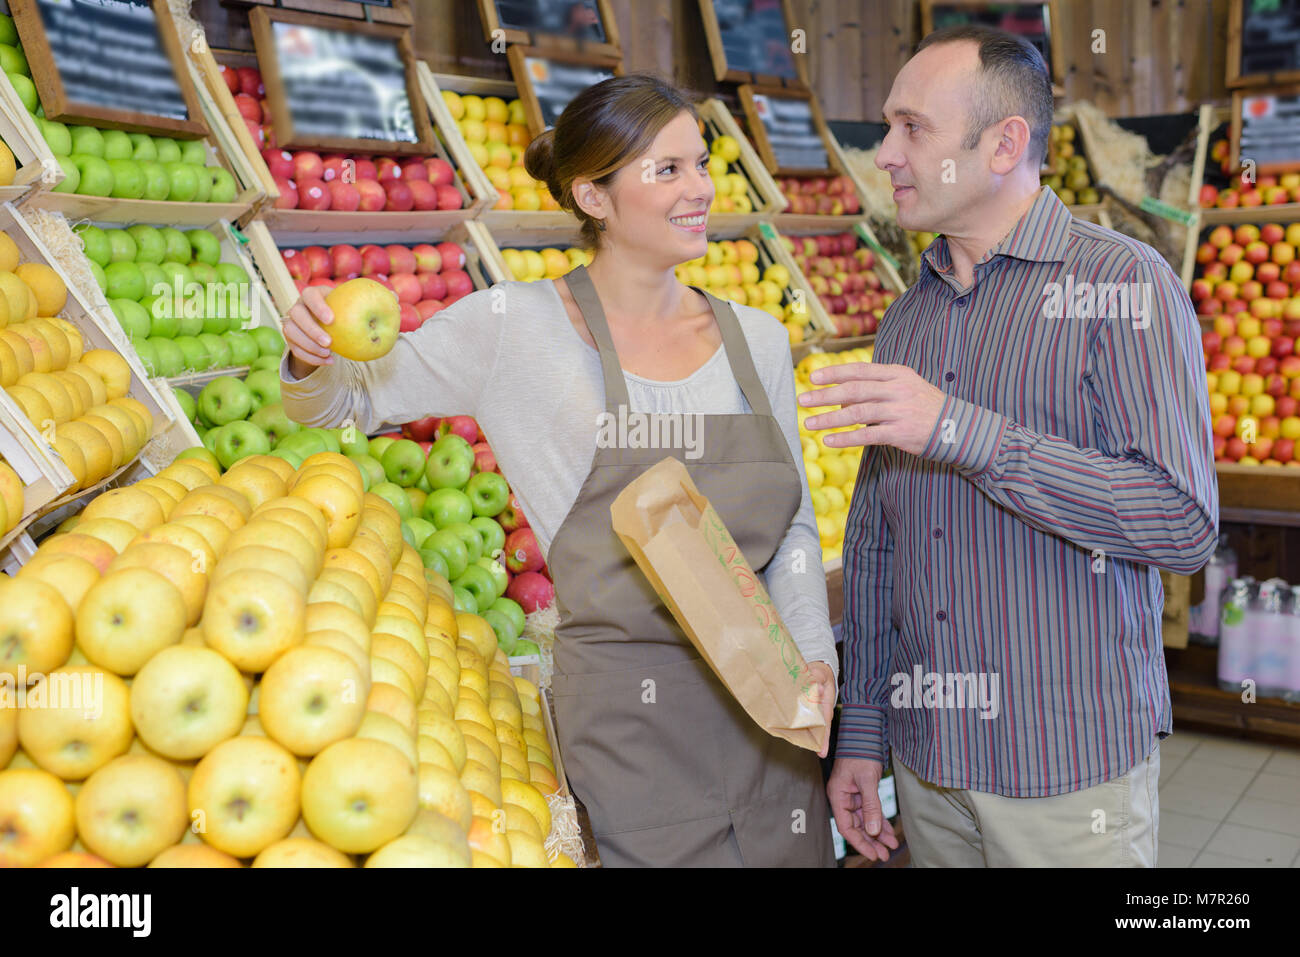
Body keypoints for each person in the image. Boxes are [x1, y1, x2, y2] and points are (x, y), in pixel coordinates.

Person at [279, 73, 838, 868]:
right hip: (631, 736)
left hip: (772, 720)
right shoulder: (514, 330)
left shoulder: (759, 341)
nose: (701, 190)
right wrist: (309, 352)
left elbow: (790, 529)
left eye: (701, 163)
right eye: (667, 170)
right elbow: (344, 401)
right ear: (595, 197)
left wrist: (813, 656)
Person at [801, 25, 1217, 866]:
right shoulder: (908, 314)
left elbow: (1180, 522)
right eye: (887, 126)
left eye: (911, 127)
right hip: (928, 765)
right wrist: (864, 729)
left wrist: (961, 430)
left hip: (1066, 772)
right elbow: (880, 544)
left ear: (1004, 143)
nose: (884, 153)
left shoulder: (1123, 285)